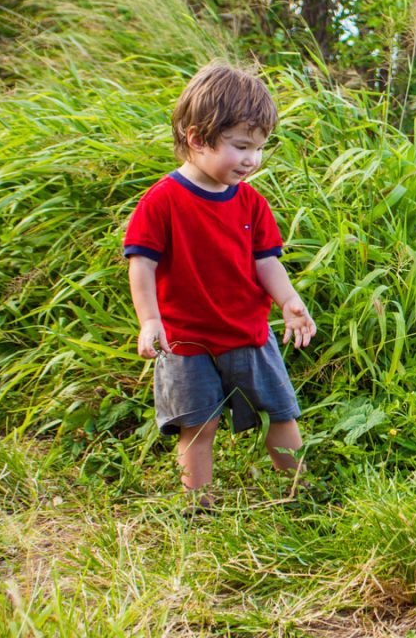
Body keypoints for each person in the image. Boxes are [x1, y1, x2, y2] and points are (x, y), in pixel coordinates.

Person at [124, 61, 315, 509]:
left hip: (247, 332)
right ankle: (199, 505)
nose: (252, 160)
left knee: (280, 412)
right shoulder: (163, 200)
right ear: (197, 139)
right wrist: (149, 320)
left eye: (259, 148)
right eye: (241, 146)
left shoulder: (250, 201)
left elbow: (266, 261)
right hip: (185, 340)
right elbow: (142, 264)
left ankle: (301, 491)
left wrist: (288, 300)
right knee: (198, 424)